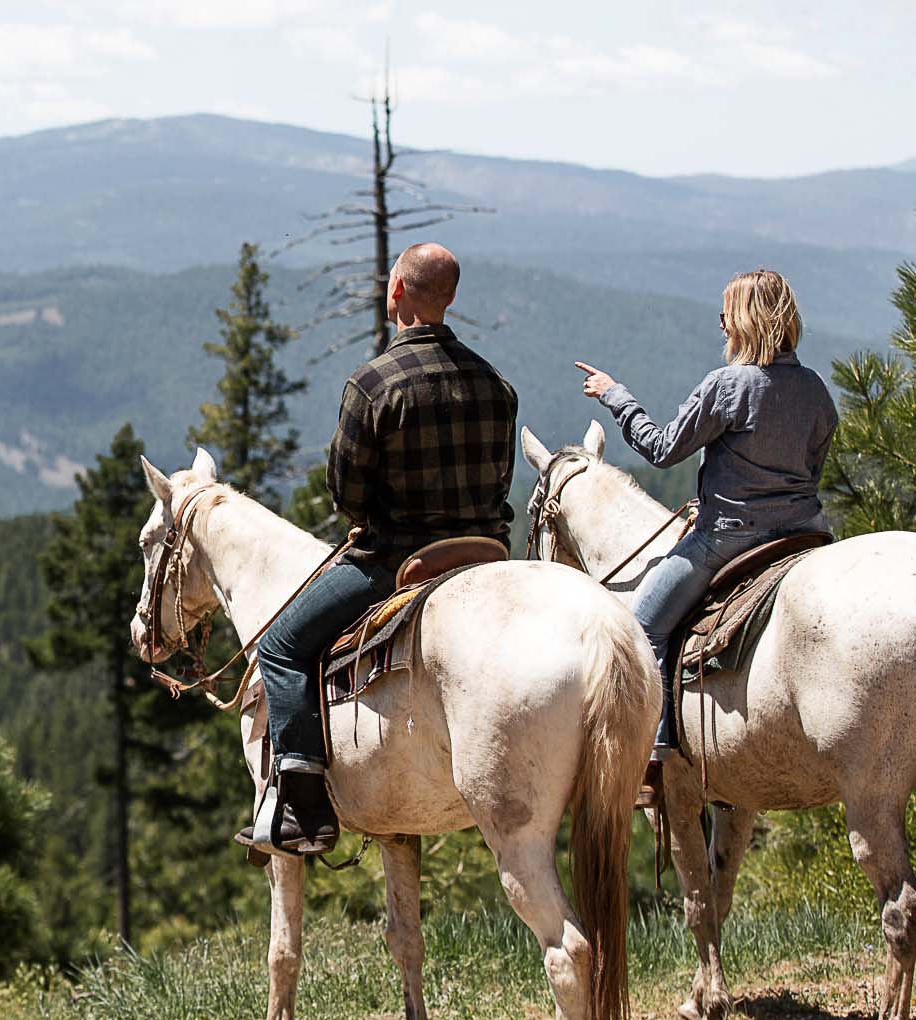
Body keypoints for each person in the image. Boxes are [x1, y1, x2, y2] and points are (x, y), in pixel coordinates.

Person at [250, 242, 518, 856]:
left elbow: (347, 494)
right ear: (448, 298)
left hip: (396, 562)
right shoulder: (495, 384)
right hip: (483, 554)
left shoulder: (372, 385)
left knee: (283, 646)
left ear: (397, 291)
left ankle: (303, 801)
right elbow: (502, 481)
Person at [575, 268, 837, 799]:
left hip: (731, 537)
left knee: (639, 628)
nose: (720, 324)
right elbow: (810, 469)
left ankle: (653, 753)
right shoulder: (816, 390)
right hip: (806, 533)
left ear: (742, 320)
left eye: (725, 314)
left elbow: (662, 448)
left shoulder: (726, 386)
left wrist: (615, 395)